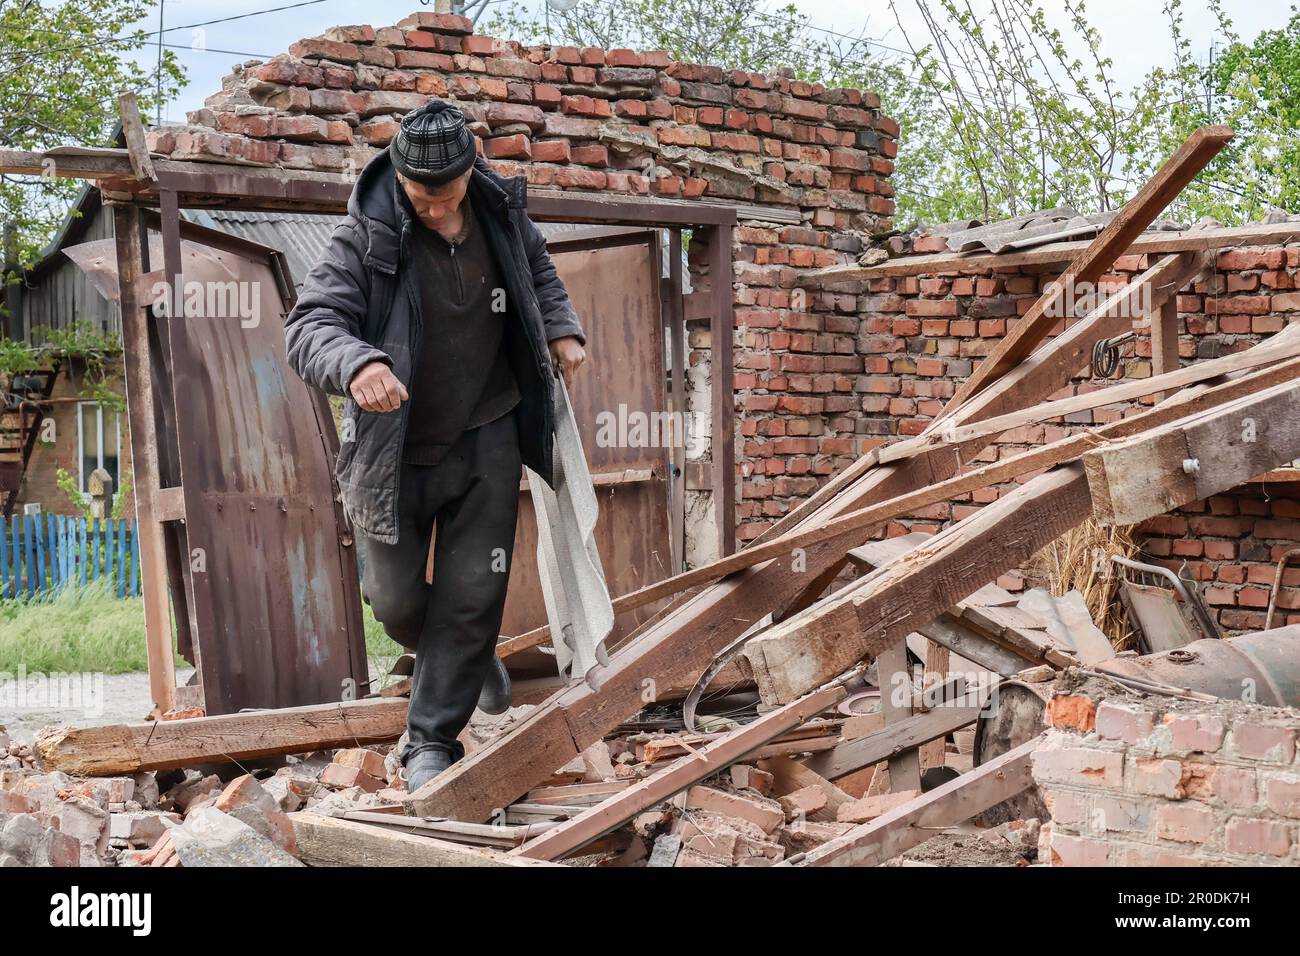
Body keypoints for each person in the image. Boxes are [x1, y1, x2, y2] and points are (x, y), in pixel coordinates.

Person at [284, 100, 586, 792]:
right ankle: (469, 660)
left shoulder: (498, 211)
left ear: (470, 170)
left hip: (488, 428)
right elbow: (310, 325)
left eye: (445, 196)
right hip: (393, 450)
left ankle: (431, 744)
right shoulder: (364, 236)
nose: (435, 209)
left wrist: (561, 327)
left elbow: (538, 272)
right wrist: (357, 364)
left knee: (475, 591)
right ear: (399, 177)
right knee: (393, 602)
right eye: (421, 198)